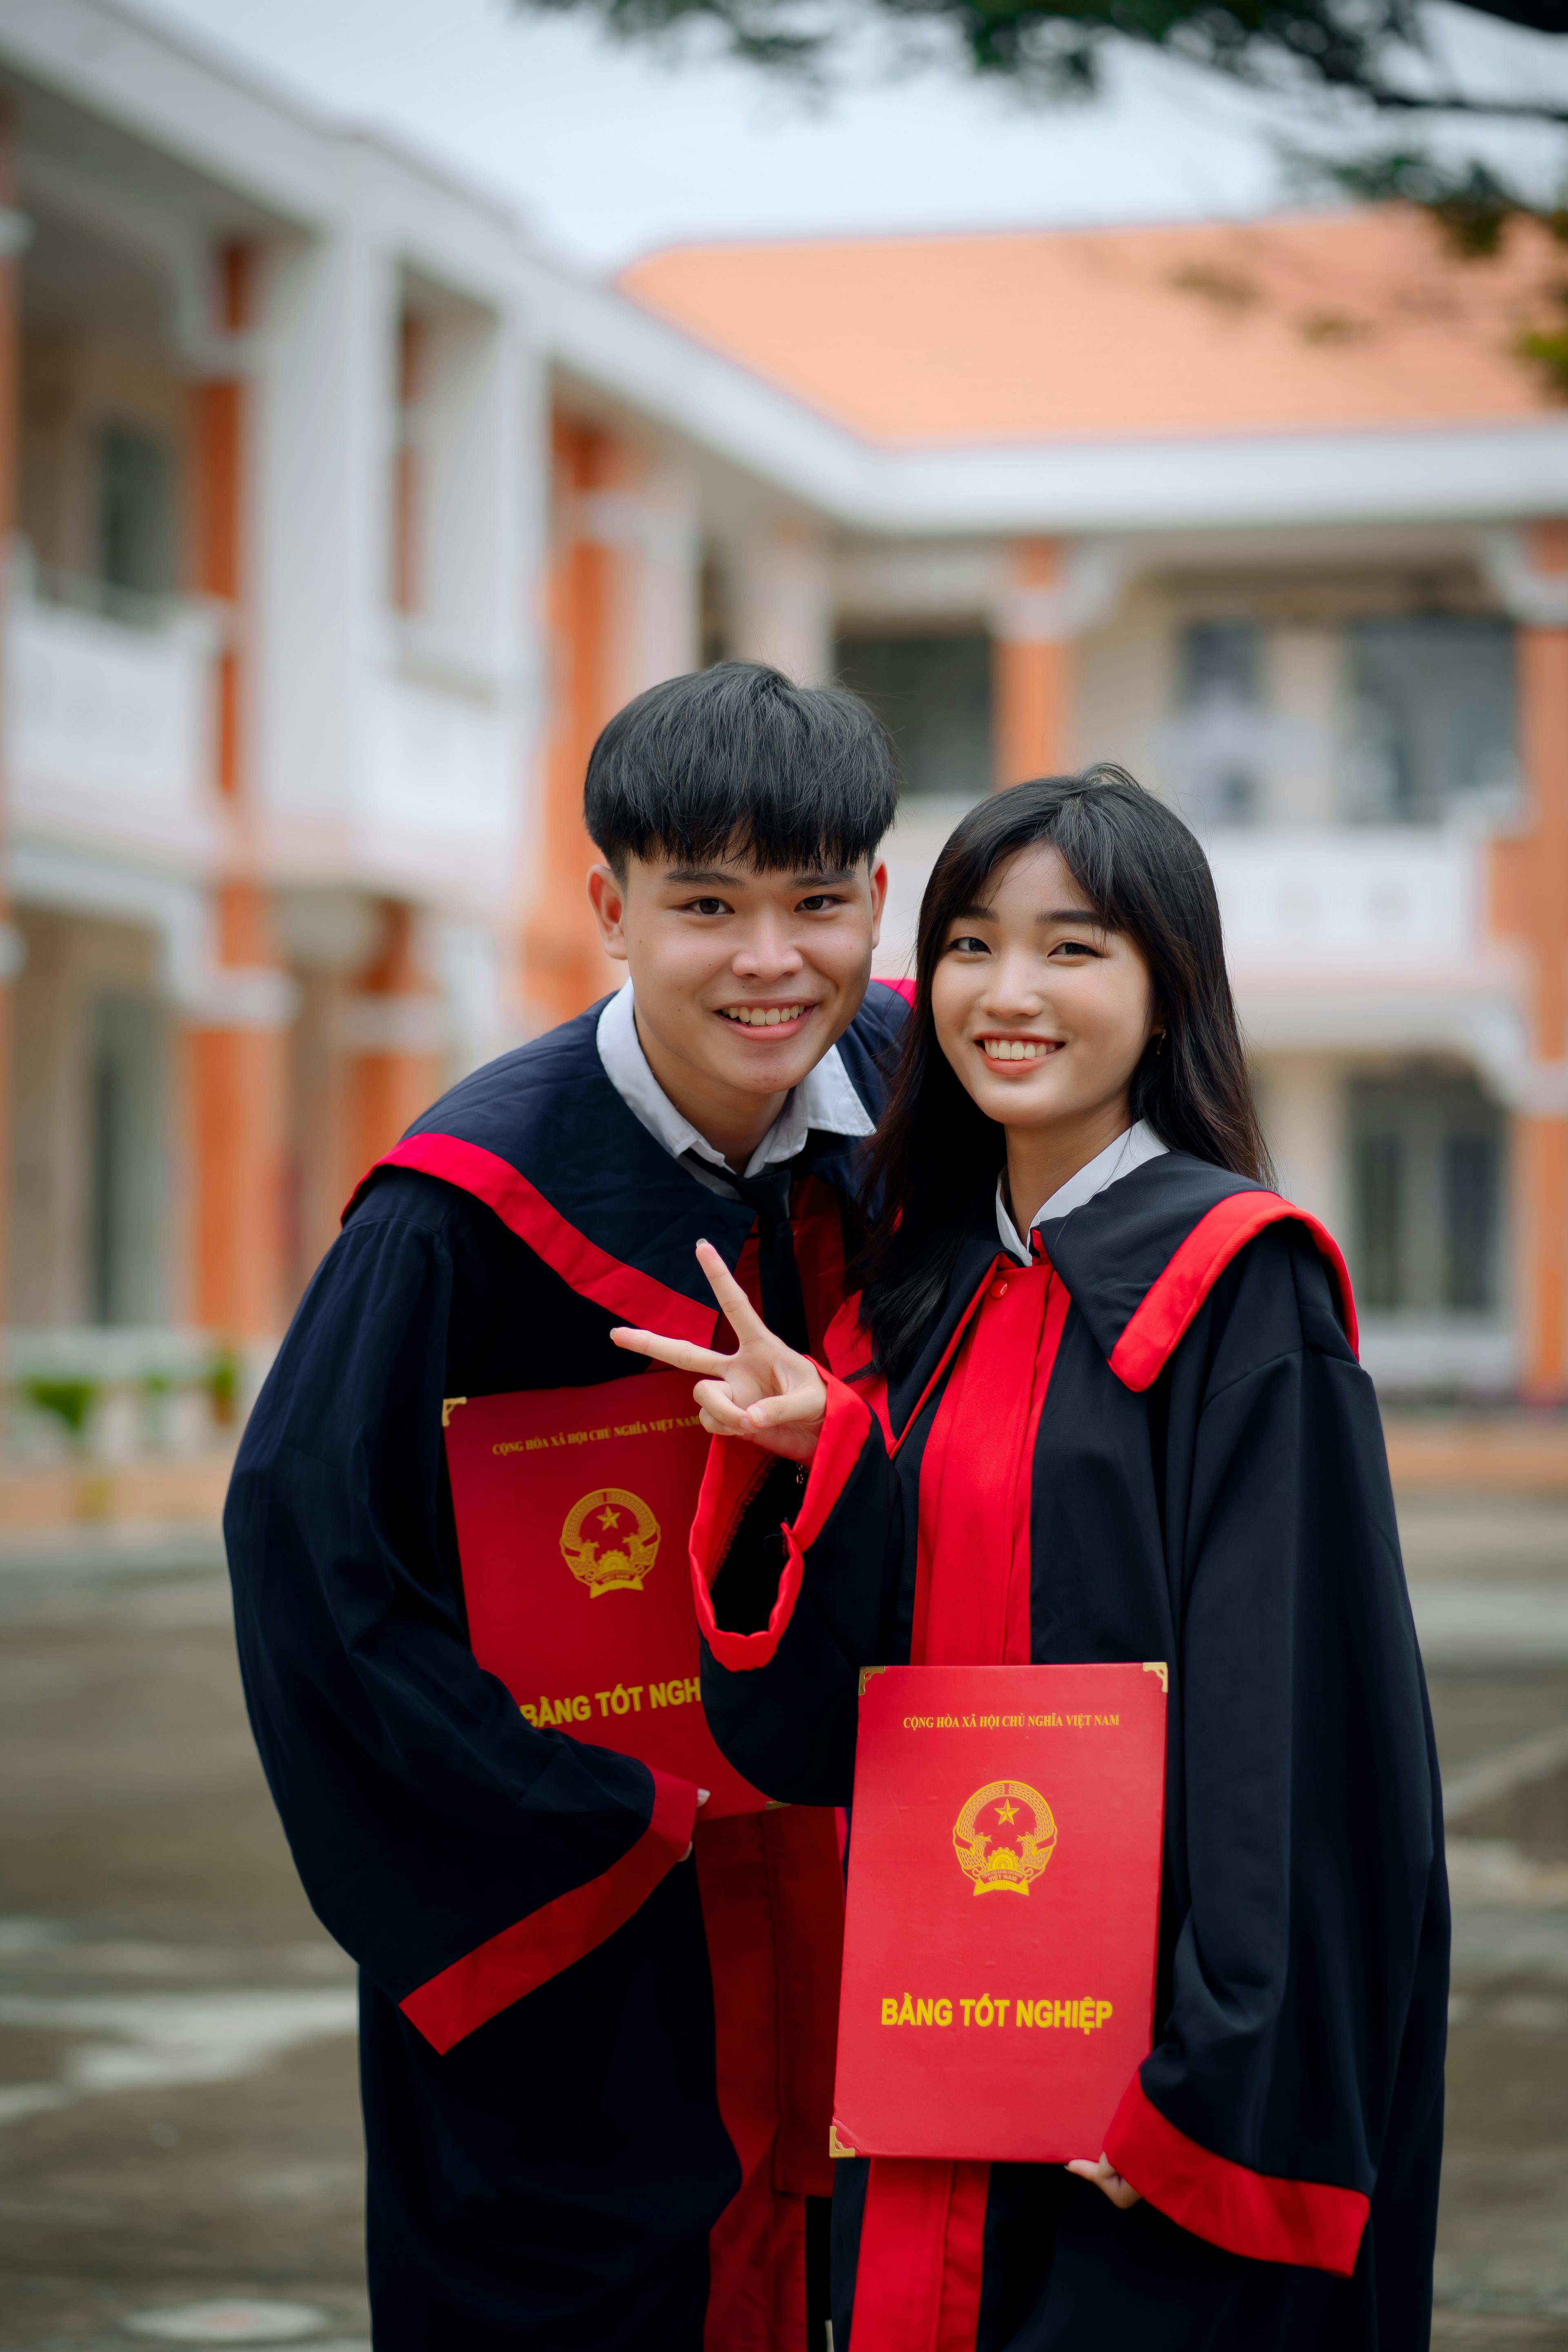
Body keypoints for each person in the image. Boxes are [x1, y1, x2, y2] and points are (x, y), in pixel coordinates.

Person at [615, 768, 1448, 2352]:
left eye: (1073, 950)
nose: (1007, 995)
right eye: (971, 945)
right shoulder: (911, 1310)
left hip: (1131, 2082)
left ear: (1166, 990)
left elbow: (1297, 1731)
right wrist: (823, 1463)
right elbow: (817, 1733)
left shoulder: (1236, 1288)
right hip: (947, 2037)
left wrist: (1209, 2085)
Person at [225, 662, 907, 2352]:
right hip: (594, 1931)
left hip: (874, 1900)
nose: (771, 960)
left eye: (817, 902)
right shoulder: (463, 1210)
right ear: (608, 907)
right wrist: (602, 1818)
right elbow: (313, 1563)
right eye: (707, 905)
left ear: (876, 900)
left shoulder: (929, 1113)